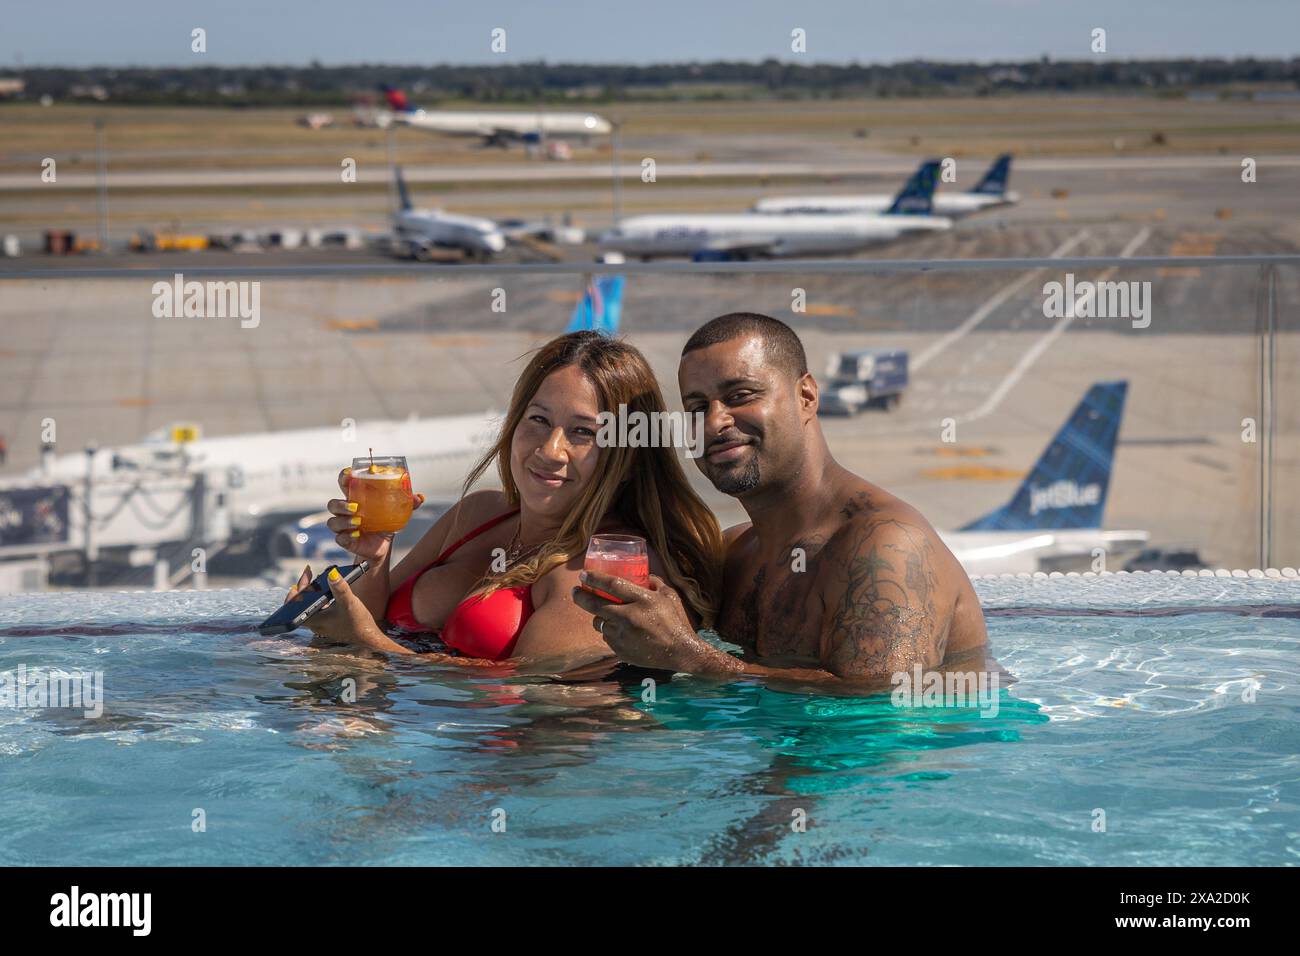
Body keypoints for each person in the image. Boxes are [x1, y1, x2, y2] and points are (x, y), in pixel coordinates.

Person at [574, 313, 990, 690]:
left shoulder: (888, 546)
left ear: (806, 396)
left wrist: (690, 658)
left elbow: (880, 712)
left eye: (740, 395)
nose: (715, 421)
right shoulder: (735, 554)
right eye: (697, 407)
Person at [287, 331, 723, 669]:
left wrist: (365, 642)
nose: (550, 450)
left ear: (625, 453)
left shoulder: (603, 569)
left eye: (583, 432)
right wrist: (375, 557)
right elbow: (375, 618)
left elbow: (530, 701)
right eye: (538, 420)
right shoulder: (477, 514)